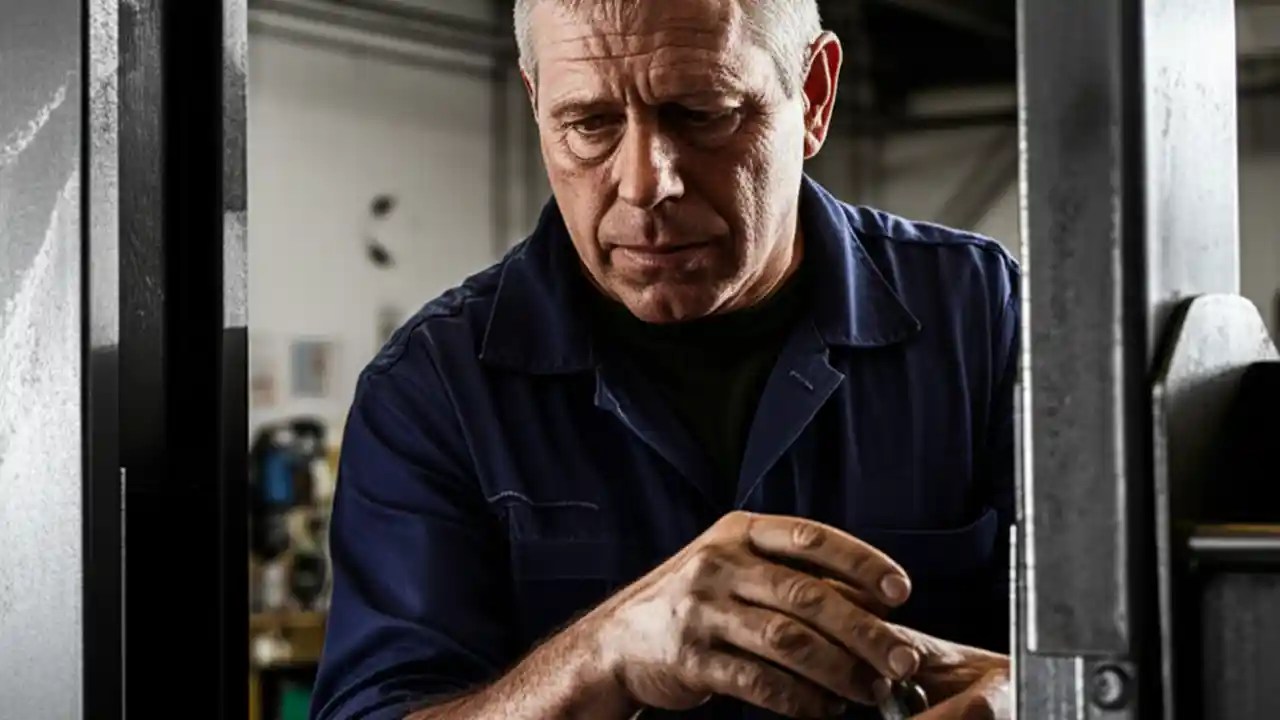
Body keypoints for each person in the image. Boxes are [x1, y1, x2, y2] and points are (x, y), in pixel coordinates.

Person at [310, 1, 1018, 718]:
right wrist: (600, 656)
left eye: (701, 112)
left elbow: (1116, 639)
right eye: (590, 124)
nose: (647, 184)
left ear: (813, 95)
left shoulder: (984, 323)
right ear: (536, 102)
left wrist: (1036, 694)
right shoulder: (434, 391)